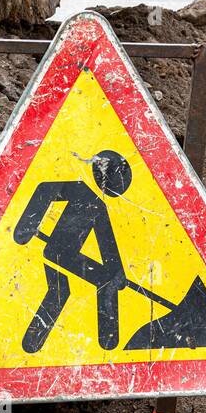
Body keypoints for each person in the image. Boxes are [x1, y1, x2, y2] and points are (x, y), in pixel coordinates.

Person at [13, 150, 133, 354]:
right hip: (57, 251)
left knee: (63, 290)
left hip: (59, 253)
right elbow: (45, 190)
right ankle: (106, 339)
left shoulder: (98, 206)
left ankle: (107, 340)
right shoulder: (80, 190)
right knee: (91, 284)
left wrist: (117, 272)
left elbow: (107, 243)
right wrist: (26, 226)